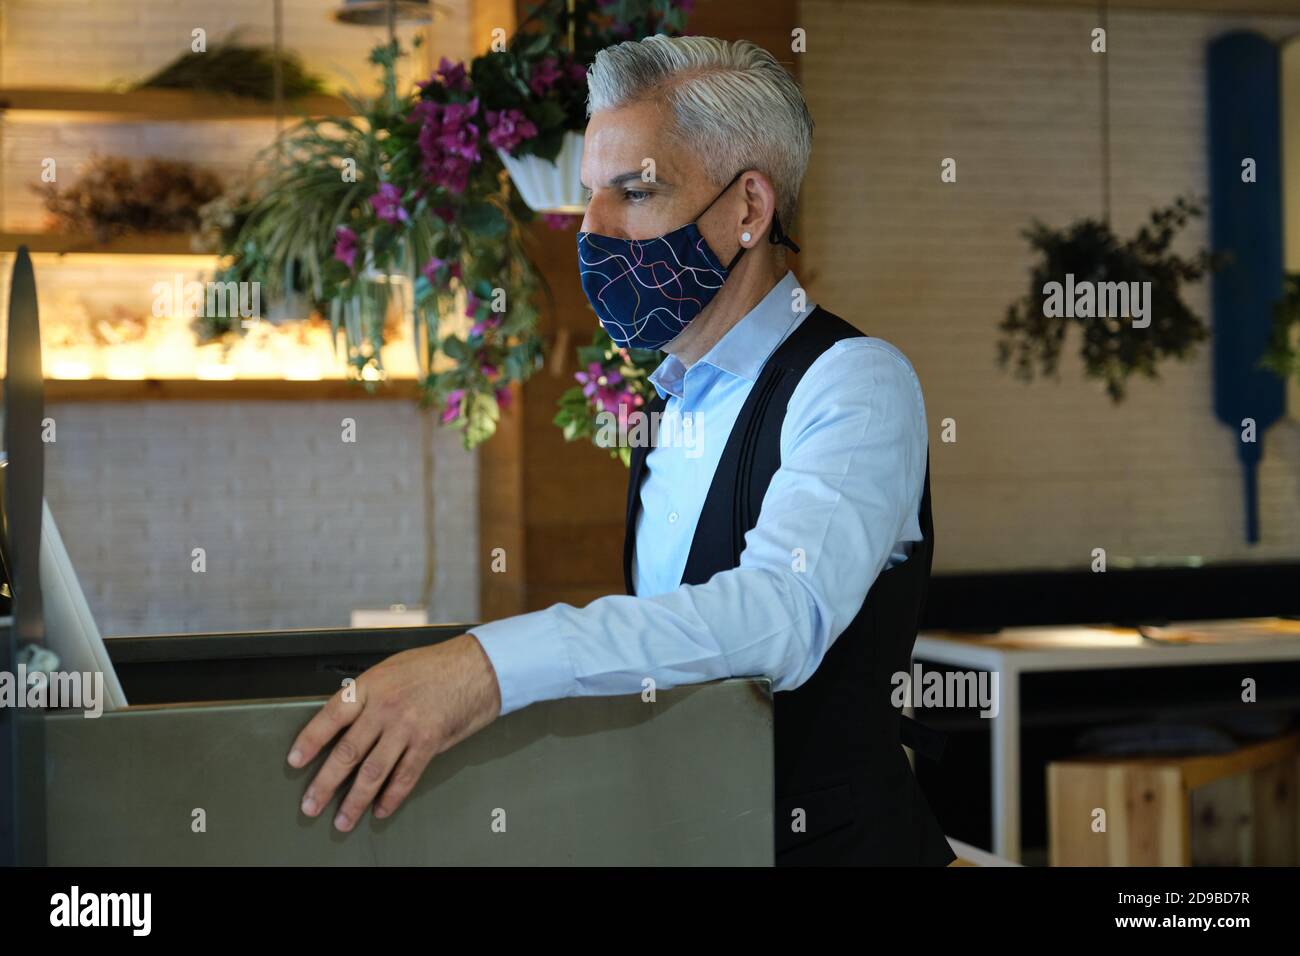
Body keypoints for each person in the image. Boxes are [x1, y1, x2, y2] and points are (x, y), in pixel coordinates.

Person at [288, 34, 953, 866]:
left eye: (633, 191)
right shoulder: (667, 397)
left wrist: (487, 667)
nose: (592, 229)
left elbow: (779, 619)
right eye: (589, 196)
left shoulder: (855, 383)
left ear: (749, 209)